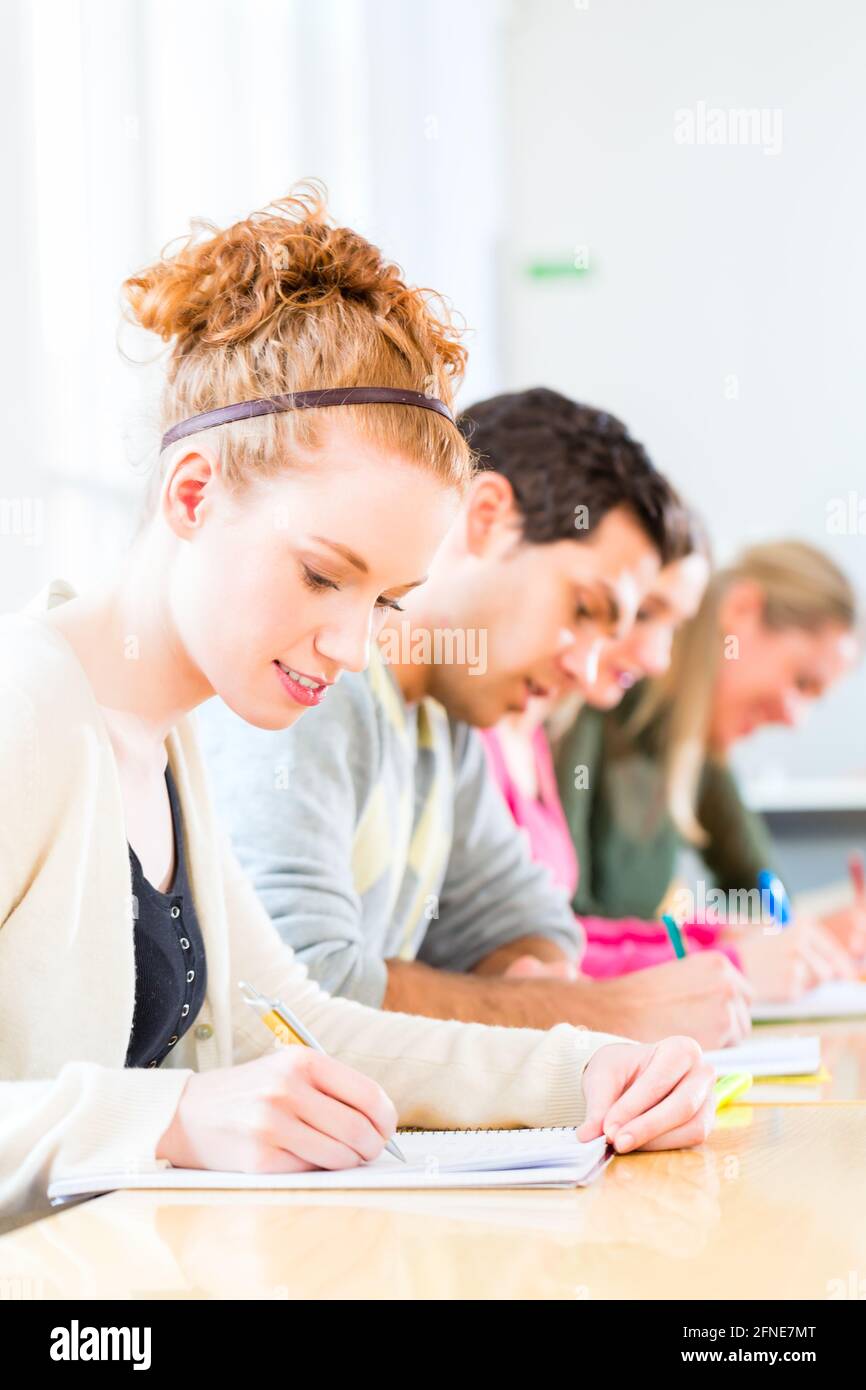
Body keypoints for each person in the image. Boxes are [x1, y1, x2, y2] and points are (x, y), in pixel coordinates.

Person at [0, 188, 715, 1223]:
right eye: (318, 574)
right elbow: (185, 1100)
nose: (350, 645)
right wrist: (169, 1119)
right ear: (192, 493)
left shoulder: (163, 744)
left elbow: (299, 1023)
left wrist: (591, 1070)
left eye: (383, 600)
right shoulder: (29, 708)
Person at [200, 387, 752, 1047]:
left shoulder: (446, 720)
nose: (585, 668)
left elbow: (527, 923)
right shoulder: (319, 679)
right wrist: (600, 1015)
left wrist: (531, 984)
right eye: (583, 609)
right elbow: (295, 999)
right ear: (487, 517)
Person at [484, 540, 855, 1001]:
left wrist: (802, 933)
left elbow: (762, 895)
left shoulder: (693, 750)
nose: (796, 719)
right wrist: (720, 955)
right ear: (741, 609)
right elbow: (557, 932)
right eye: (802, 681)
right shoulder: (594, 704)